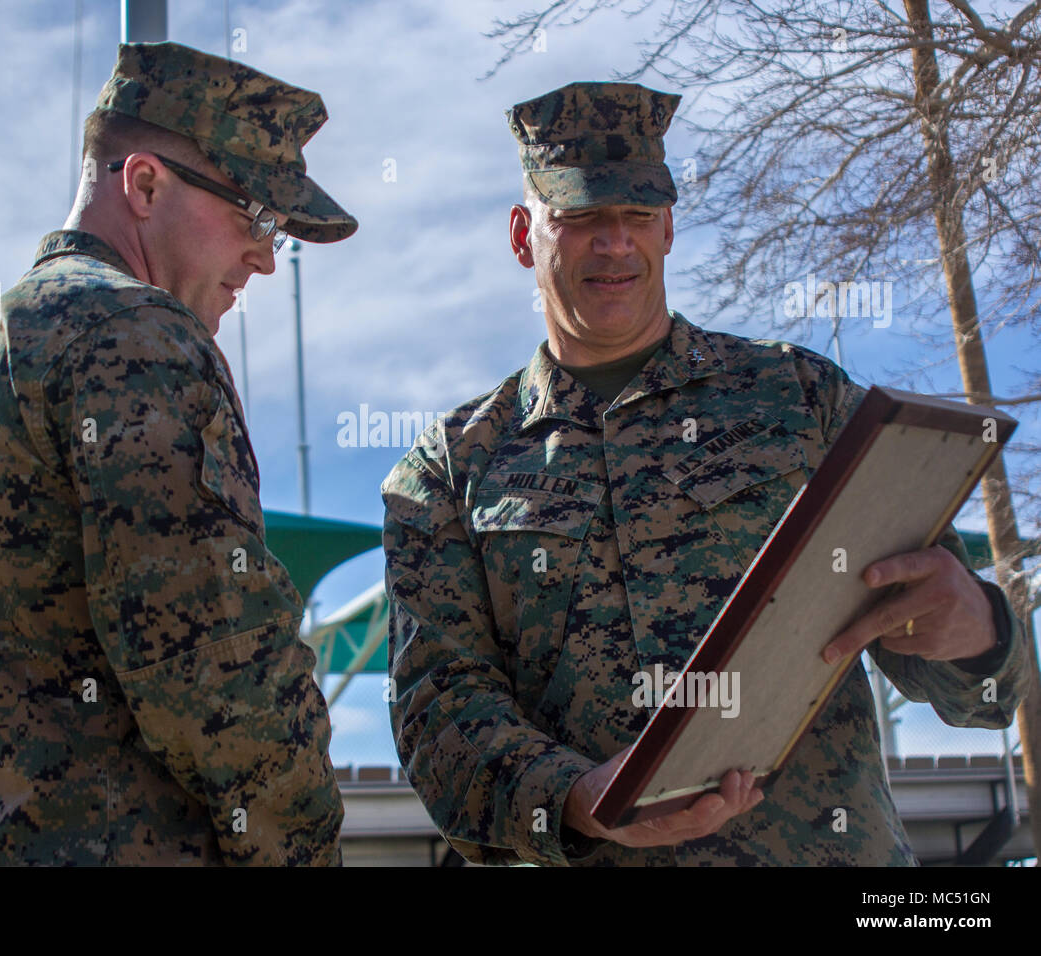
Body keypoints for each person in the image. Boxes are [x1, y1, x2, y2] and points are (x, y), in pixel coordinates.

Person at [381, 81, 1027, 866]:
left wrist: (981, 633)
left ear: (669, 228)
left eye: (638, 216)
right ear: (524, 235)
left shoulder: (802, 401)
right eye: (581, 217)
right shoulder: (452, 467)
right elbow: (439, 712)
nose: (615, 243)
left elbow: (980, 693)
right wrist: (578, 798)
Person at [0, 42, 356, 865]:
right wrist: (305, 850)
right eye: (255, 218)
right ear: (145, 184)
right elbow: (219, 676)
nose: (266, 255)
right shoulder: (140, 337)